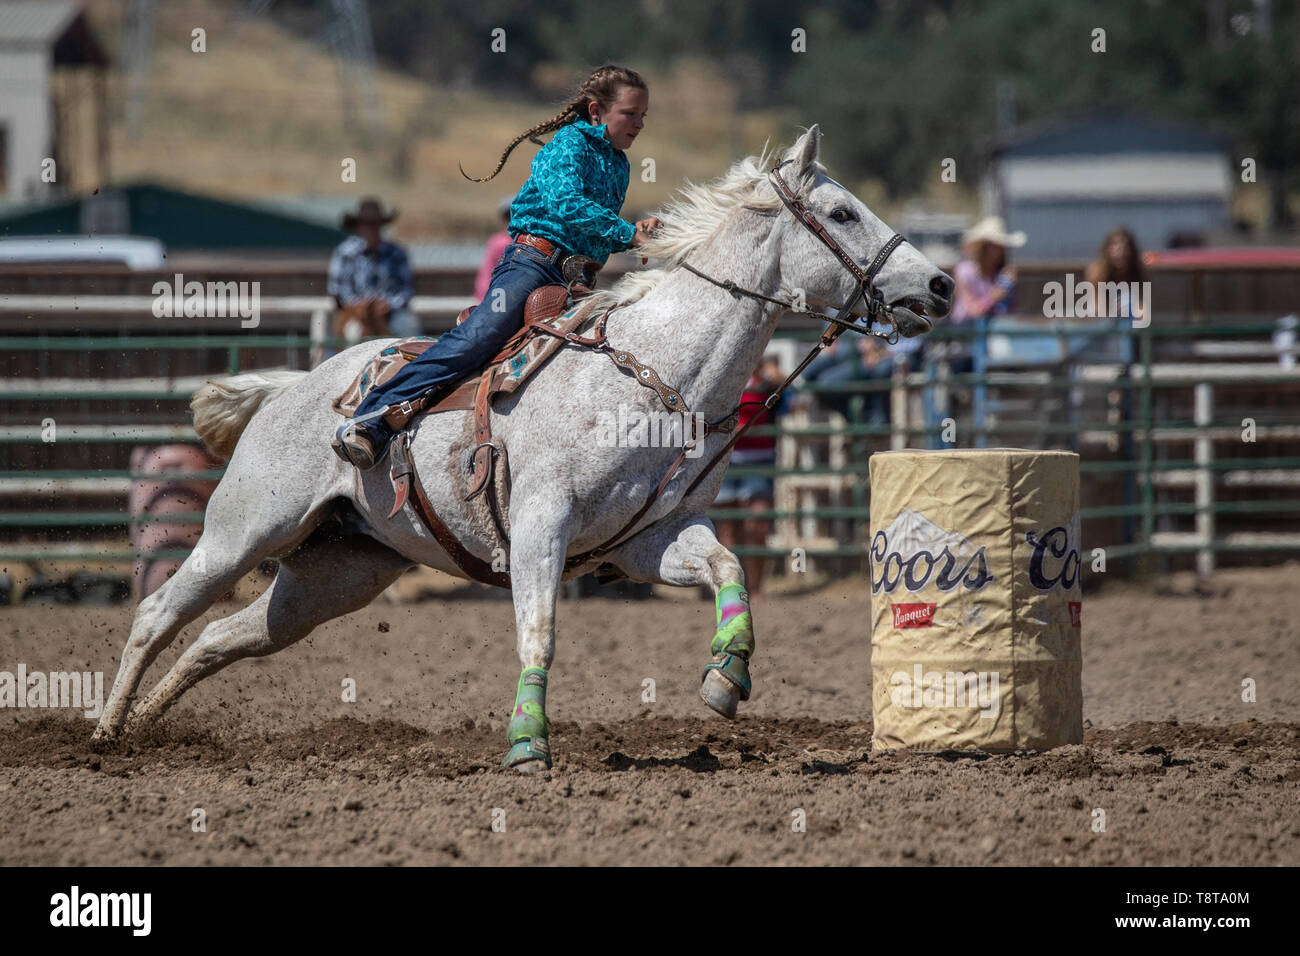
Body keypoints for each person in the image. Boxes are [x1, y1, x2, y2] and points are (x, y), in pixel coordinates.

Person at [334, 64, 663, 470]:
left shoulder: (619, 164)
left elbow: (593, 234)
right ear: (597, 111)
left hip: (578, 279)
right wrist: (630, 232)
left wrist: (629, 235)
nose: (639, 123)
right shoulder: (569, 145)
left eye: (643, 115)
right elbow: (568, 205)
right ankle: (372, 414)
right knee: (479, 339)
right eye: (631, 114)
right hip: (533, 263)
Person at [714, 354, 788, 597]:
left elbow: (796, 397)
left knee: (757, 525)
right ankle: (731, 588)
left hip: (758, 461)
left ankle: (755, 588)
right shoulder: (727, 379)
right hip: (728, 461)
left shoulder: (766, 383)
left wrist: (779, 378)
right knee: (728, 529)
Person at [327, 198, 418, 343]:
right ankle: (329, 361)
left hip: (390, 313)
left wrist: (388, 304)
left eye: (375, 223)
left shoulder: (396, 253)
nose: (371, 228)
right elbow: (337, 290)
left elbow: (406, 290)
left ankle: (413, 362)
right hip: (354, 312)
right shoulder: (345, 253)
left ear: (382, 225)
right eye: (367, 224)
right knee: (347, 333)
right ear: (358, 226)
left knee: (408, 328)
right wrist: (356, 304)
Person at [946, 216, 1025, 374]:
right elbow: (973, 311)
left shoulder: (1001, 275)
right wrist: (998, 294)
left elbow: (1009, 310)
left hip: (996, 332)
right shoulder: (965, 271)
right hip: (966, 334)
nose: (998, 251)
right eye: (993, 247)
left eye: (999, 247)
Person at [475, 195, 516, 302]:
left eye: (514, 214)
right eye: (508, 216)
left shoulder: (497, 242)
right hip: (498, 298)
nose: (511, 220)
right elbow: (486, 274)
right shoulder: (498, 243)